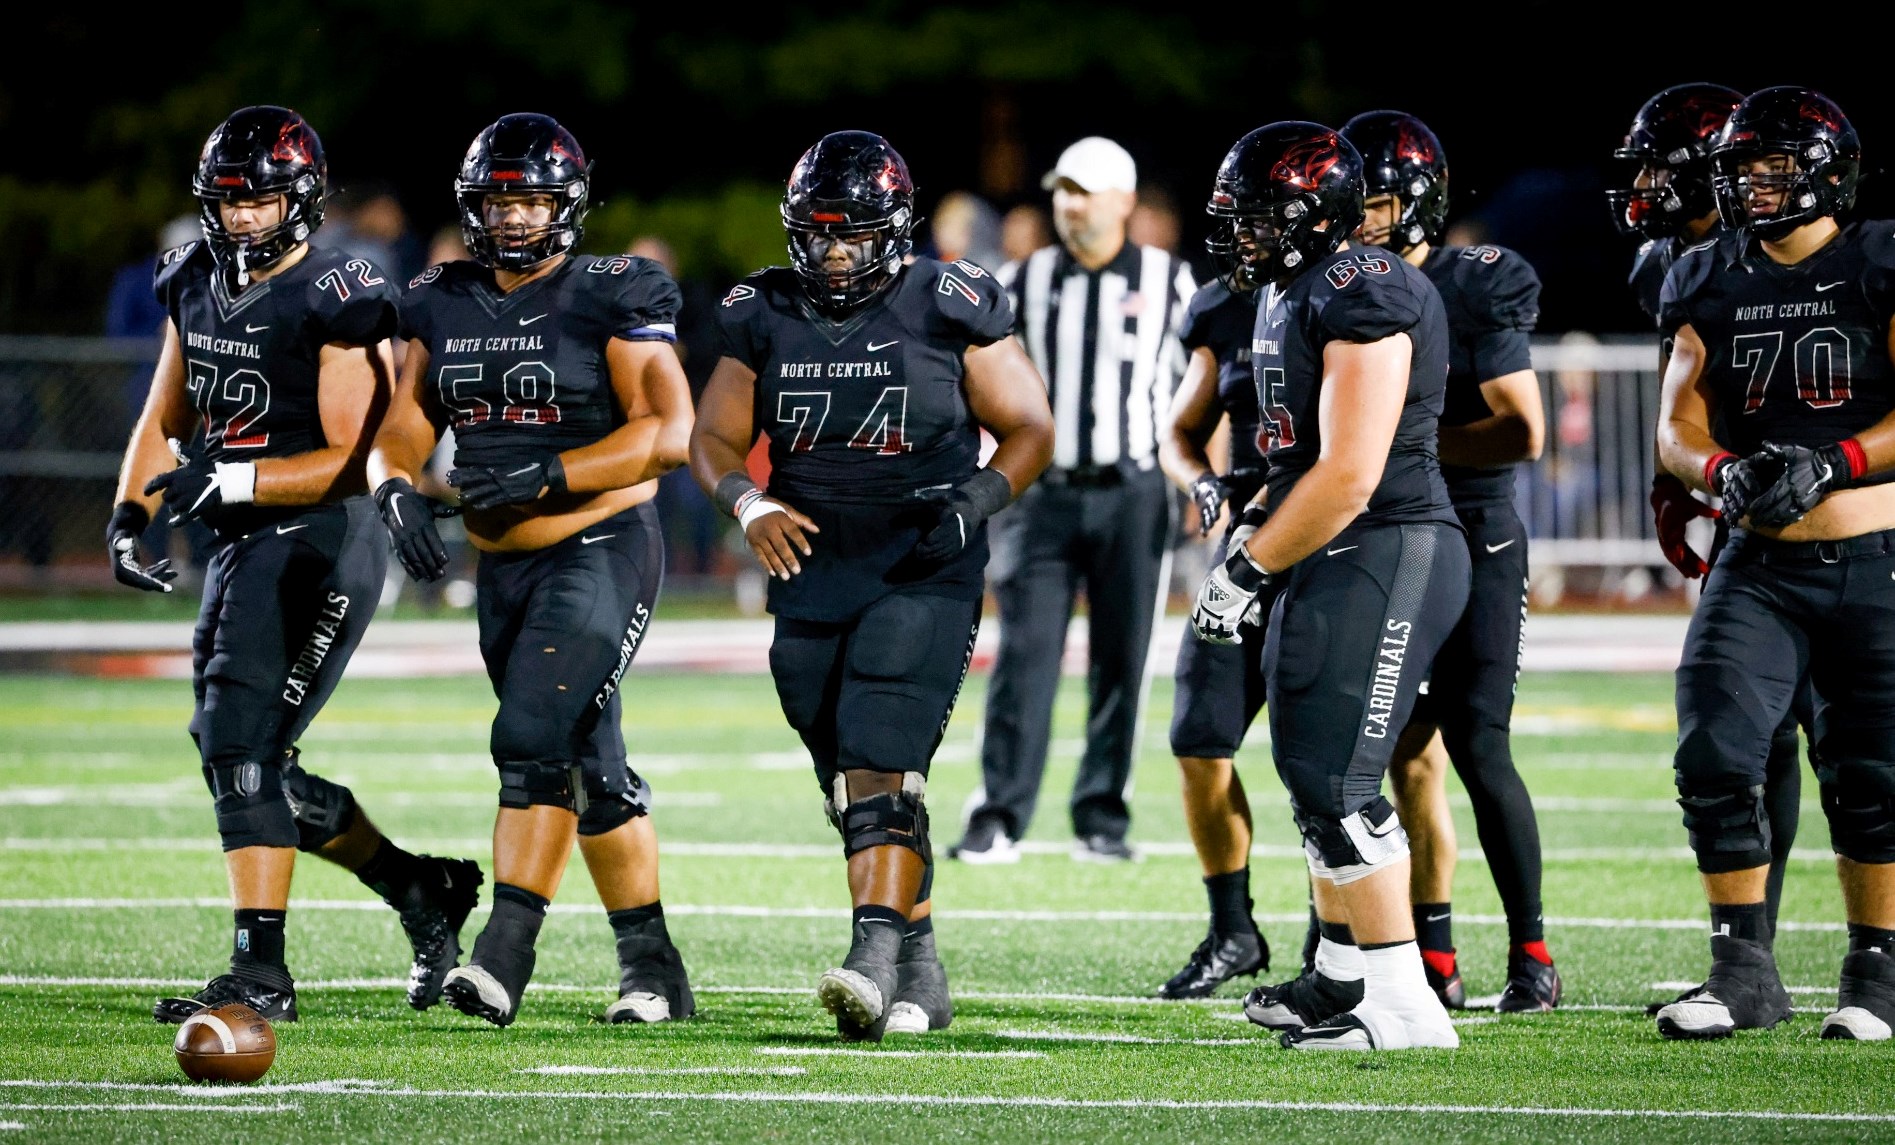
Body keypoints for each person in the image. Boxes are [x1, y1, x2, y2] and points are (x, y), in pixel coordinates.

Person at [106, 105, 483, 1025]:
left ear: (302, 199)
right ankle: (418, 886)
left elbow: (353, 455)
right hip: (244, 534)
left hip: (324, 535)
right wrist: (130, 513)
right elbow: (163, 420)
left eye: (259, 199)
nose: (240, 218)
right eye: (228, 200)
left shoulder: (337, 290)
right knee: (236, 750)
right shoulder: (193, 276)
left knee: (241, 745)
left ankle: (260, 968)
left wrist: (228, 480)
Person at [688, 130, 1053, 1040]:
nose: (835, 250)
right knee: (849, 783)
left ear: (894, 228)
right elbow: (713, 439)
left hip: (921, 562)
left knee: (880, 758)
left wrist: (972, 502)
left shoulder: (949, 299)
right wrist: (747, 504)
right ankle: (919, 970)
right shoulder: (760, 309)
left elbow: (1029, 428)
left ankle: (872, 955)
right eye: (818, 232)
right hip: (808, 561)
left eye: (853, 232)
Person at [368, 112, 698, 1028]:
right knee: (591, 762)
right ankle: (654, 968)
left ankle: (503, 954)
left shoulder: (611, 290)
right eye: (498, 199)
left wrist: (550, 470)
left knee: (530, 736)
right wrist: (392, 486)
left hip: (598, 542)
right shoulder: (441, 294)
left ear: (568, 204)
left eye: (532, 199)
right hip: (503, 564)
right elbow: (405, 419)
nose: (513, 218)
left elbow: (666, 431)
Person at [1188, 120, 1469, 1051]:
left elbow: (1350, 472)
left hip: (1387, 540)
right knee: (1311, 772)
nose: (1244, 234)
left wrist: (1244, 567)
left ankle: (1401, 999)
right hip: (1335, 546)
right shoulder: (1285, 291)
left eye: (1263, 216)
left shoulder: (1363, 284)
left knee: (1340, 778)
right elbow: (1295, 456)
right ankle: (1346, 972)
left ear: (1318, 216)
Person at [1654, 85, 1895, 1042]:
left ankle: (1875, 974)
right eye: (1743, 168)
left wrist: (1831, 458)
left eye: (1774, 167)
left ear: (1829, 172)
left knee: (1871, 773)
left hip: (1874, 552)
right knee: (1712, 750)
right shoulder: (1707, 273)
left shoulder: (1878, 259)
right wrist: (1720, 468)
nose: (1754, 185)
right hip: (1754, 559)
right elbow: (1677, 419)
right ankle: (1741, 972)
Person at [1338, 110, 1557, 1012]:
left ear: (1419, 201)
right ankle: (1428, 956)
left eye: (1378, 203)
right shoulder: (1342, 286)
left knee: (1474, 740)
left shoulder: (1475, 284)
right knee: (1384, 752)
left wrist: (1410, 445)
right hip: (1390, 530)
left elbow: (1522, 429)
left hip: (1470, 526)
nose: (1362, 221)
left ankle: (1531, 953)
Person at [1608, 83, 1814, 1016]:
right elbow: (1681, 384)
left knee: (1848, 742)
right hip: (1741, 504)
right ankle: (1750, 960)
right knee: (1746, 727)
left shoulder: (1806, 252)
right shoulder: (1670, 264)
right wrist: (1678, 478)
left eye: (1662, 164)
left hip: (1838, 505)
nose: (1645, 183)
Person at [950, 135, 1197, 863]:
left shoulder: (1170, 283)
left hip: (1134, 491)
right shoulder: (1019, 280)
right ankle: (998, 813)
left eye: (1084, 190)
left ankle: (1101, 817)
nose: (1068, 203)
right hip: (1043, 497)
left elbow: (1199, 389)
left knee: (1123, 660)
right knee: (1023, 658)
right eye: (1061, 189)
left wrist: (1197, 478)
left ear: (1123, 200)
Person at [1151, 195, 1276, 998]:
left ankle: (1347, 939)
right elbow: (1181, 427)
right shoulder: (1224, 303)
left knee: (1324, 761)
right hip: (1245, 550)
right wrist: (1203, 482)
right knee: (1199, 737)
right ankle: (1232, 929)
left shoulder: (1356, 296)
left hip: (1336, 544)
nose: (1246, 238)